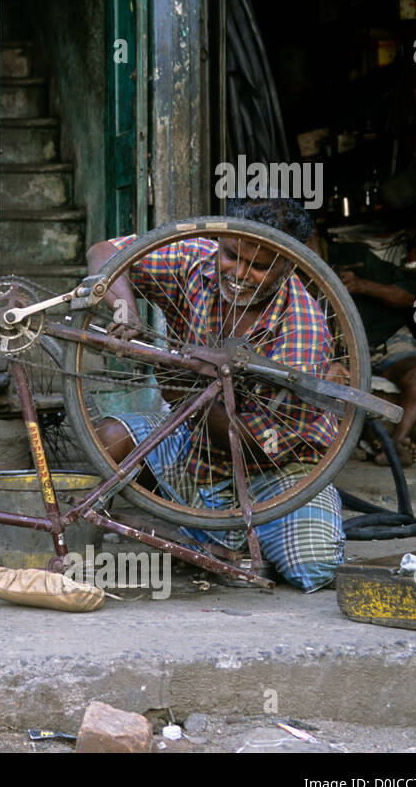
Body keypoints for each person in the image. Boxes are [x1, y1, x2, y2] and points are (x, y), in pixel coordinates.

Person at [84, 194, 343, 591]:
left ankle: (217, 535)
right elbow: (105, 253)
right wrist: (125, 309)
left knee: (314, 568)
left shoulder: (303, 331)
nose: (238, 272)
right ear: (222, 239)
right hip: (198, 444)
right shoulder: (196, 258)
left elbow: (259, 446)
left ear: (289, 265)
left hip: (277, 467)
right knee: (110, 441)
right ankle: (213, 536)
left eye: (258, 266)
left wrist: (192, 394)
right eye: (231, 255)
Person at [313, 234, 416, 467]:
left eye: (308, 241)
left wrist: (362, 285)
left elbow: (410, 298)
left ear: (317, 236)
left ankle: (394, 446)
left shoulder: (354, 256)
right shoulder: (284, 265)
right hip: (340, 349)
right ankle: (360, 444)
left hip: (385, 340)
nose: (303, 246)